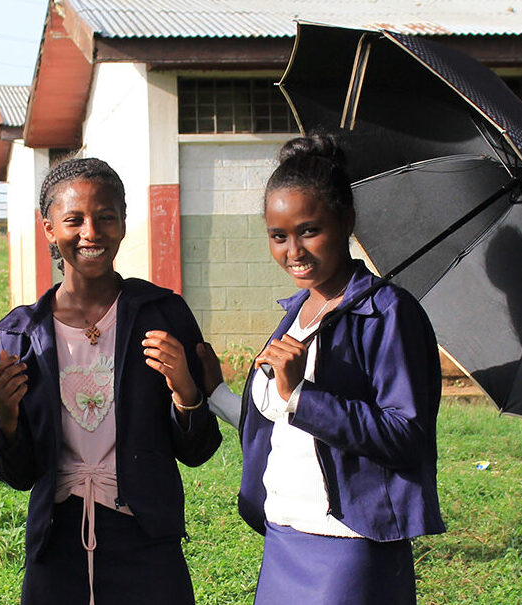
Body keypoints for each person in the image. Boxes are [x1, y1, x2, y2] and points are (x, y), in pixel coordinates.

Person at [196, 132, 445, 604]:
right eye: (278, 236)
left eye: (310, 230)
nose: (294, 251)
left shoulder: (390, 315)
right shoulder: (294, 313)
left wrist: (302, 396)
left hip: (350, 548)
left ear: (347, 220)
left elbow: (407, 436)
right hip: (283, 538)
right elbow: (281, 427)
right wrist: (216, 393)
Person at [0, 157, 221, 605]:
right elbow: (18, 474)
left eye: (105, 217)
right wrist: (7, 418)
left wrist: (186, 394)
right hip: (57, 542)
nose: (90, 232)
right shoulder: (22, 333)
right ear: (49, 229)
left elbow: (199, 451)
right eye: (73, 220)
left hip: (146, 536)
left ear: (123, 223)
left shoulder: (163, 314)